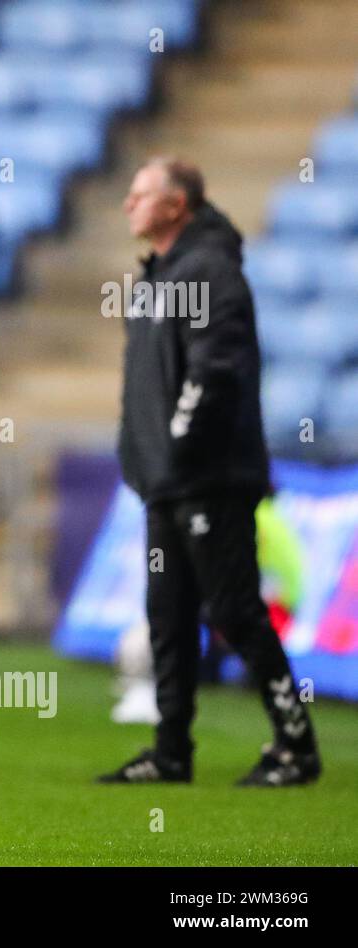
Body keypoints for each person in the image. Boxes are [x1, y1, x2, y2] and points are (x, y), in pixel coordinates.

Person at [100, 157, 320, 787]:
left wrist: (175, 443)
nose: (128, 205)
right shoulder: (160, 276)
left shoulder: (211, 272)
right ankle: (171, 752)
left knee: (235, 611)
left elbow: (213, 371)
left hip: (211, 478)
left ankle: (296, 746)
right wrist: (144, 456)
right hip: (167, 481)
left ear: (177, 205)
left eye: (140, 194)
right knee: (168, 616)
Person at [111, 494, 305, 725]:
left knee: (186, 613)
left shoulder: (247, 515)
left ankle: (161, 685)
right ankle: (209, 673)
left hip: (272, 603)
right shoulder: (265, 513)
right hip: (275, 600)